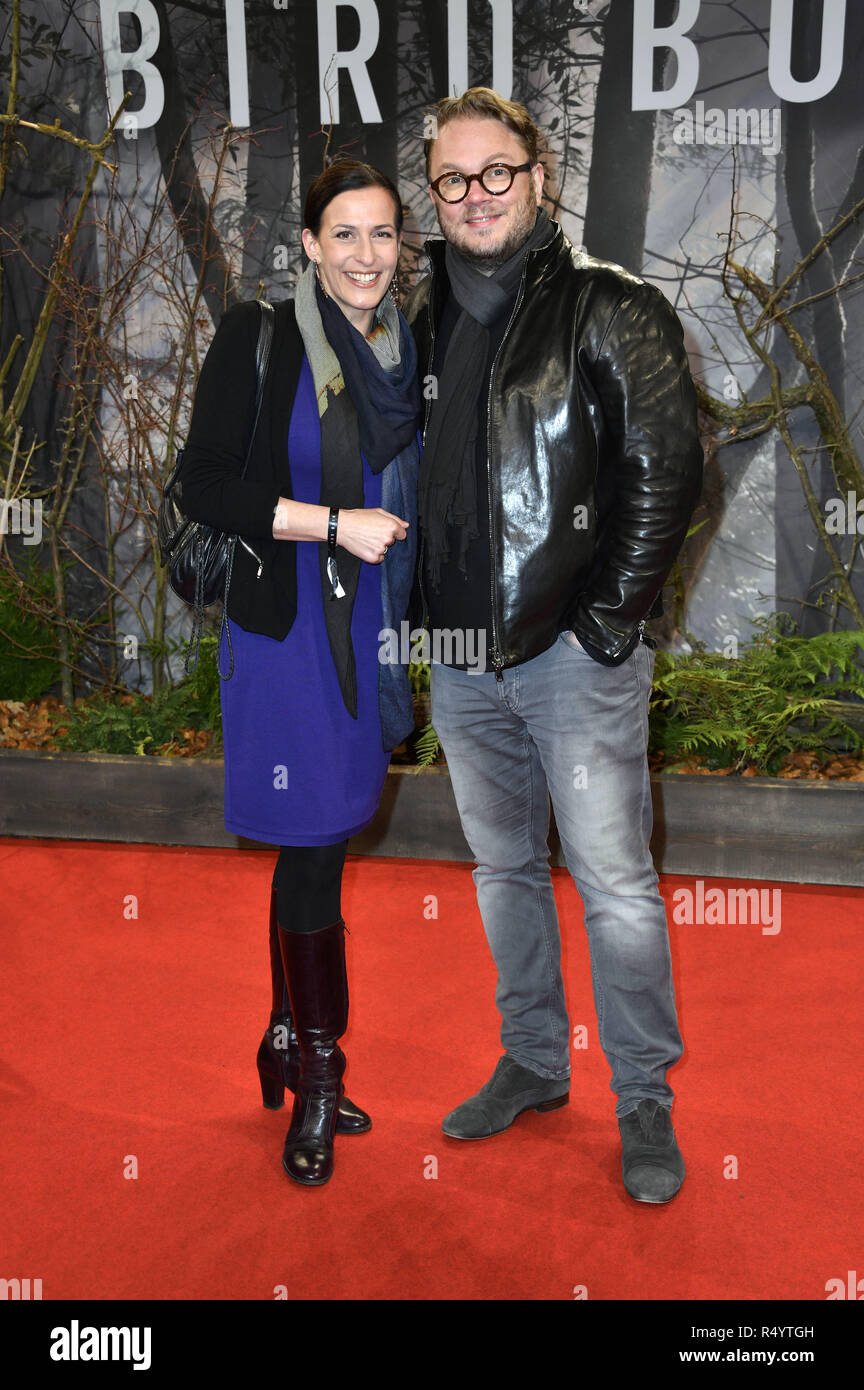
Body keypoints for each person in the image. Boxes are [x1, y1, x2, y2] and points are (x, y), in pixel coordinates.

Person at [402, 88, 703, 1203]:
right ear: (434, 198)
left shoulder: (608, 308)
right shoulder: (419, 322)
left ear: (539, 178)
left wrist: (606, 621)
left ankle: (643, 1099)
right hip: (461, 656)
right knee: (502, 871)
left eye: (496, 172)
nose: (475, 194)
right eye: (452, 179)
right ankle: (533, 1059)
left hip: (575, 657)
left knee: (616, 885)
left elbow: (667, 474)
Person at [180, 159, 421, 1186]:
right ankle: (320, 1074)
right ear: (312, 246)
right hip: (286, 636)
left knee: (323, 835)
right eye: (346, 235)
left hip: (368, 625)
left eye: (384, 235)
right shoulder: (262, 336)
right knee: (317, 836)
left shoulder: (410, 355)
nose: (367, 256)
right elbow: (204, 483)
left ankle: (285, 1032)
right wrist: (332, 525)